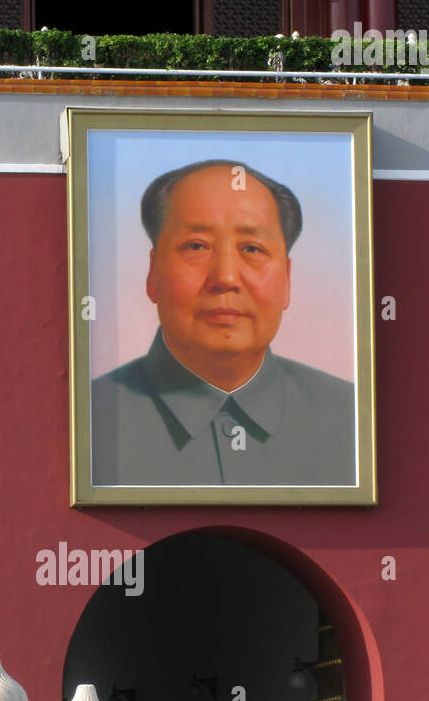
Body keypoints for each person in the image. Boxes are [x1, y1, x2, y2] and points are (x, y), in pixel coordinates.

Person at [91, 159, 356, 487]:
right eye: (196, 246)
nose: (226, 277)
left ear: (287, 280)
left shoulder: (353, 419)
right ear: (153, 273)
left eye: (251, 248)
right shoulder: (90, 419)